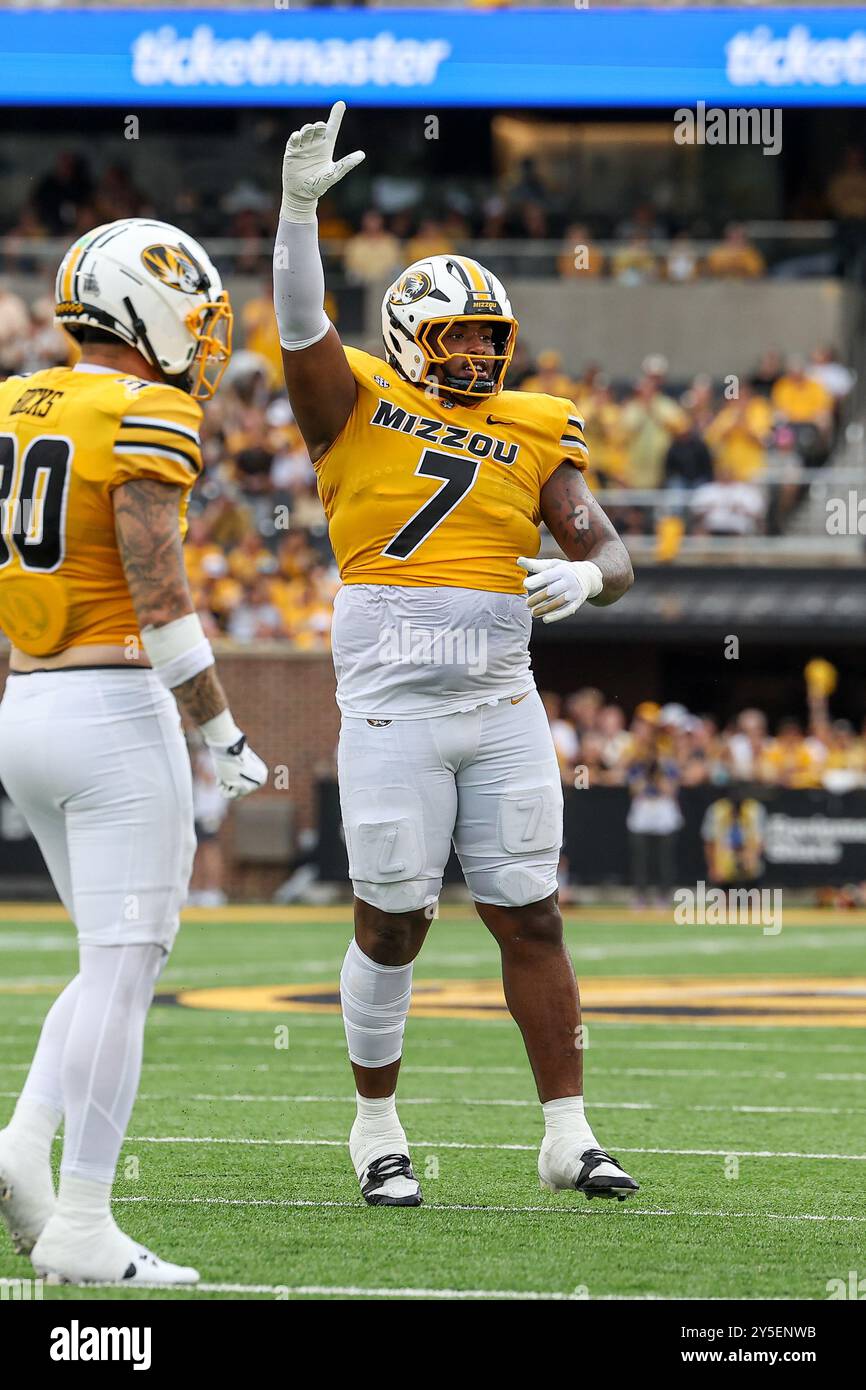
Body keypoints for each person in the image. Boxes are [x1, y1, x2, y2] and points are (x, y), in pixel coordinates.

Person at [273, 103, 638, 1207]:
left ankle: (566, 1133)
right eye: (458, 337)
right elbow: (298, 331)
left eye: (490, 336)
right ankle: (375, 1127)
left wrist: (586, 576)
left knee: (530, 908)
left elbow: (606, 546)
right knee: (392, 917)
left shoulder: (536, 421)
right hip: (392, 702)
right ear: (407, 338)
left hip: (500, 695)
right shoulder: (353, 402)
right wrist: (297, 219)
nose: (478, 351)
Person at [0, 218, 267, 1286]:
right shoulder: (147, 409)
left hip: (29, 701)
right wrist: (220, 729)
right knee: (128, 964)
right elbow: (162, 596)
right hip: (113, 705)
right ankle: (83, 1224)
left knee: (102, 959)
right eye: (193, 317)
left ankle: (22, 1146)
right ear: (141, 309)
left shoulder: (19, 397)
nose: (200, 340)